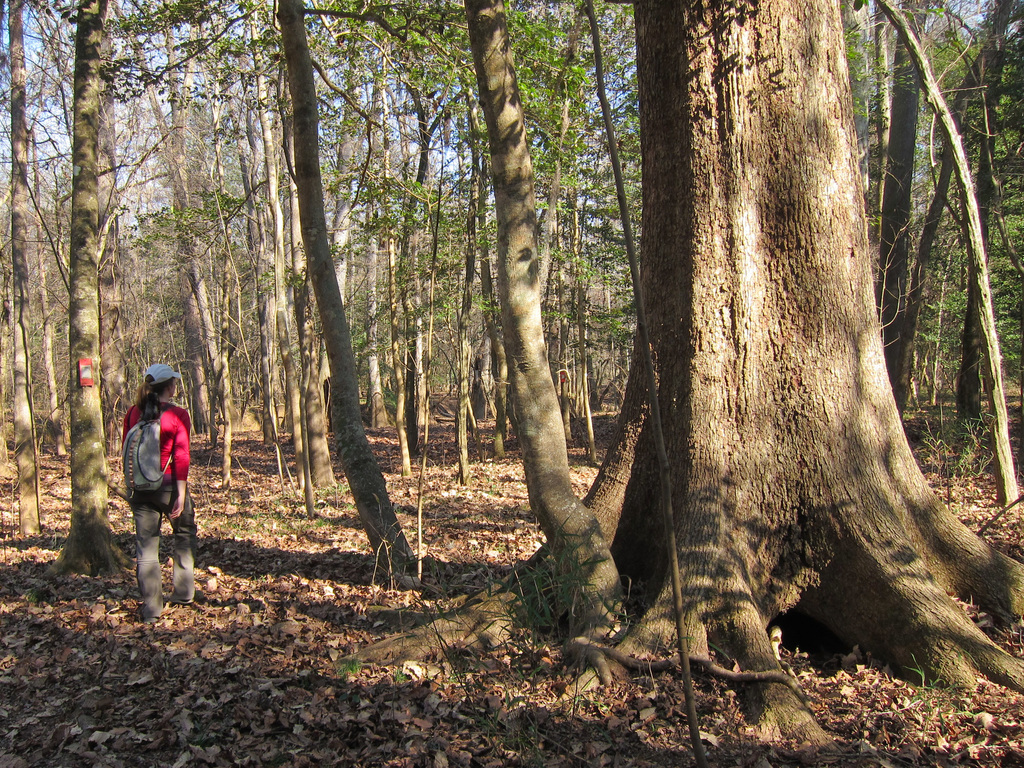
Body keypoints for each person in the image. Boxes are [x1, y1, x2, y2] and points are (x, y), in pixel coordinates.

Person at [122, 363, 197, 623]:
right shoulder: (178, 415)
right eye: (174, 383)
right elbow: (181, 456)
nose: (175, 386)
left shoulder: (133, 413)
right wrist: (180, 493)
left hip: (141, 489)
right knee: (184, 534)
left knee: (146, 547)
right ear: (169, 387)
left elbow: (126, 449)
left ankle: (152, 609)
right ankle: (184, 593)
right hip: (168, 486)